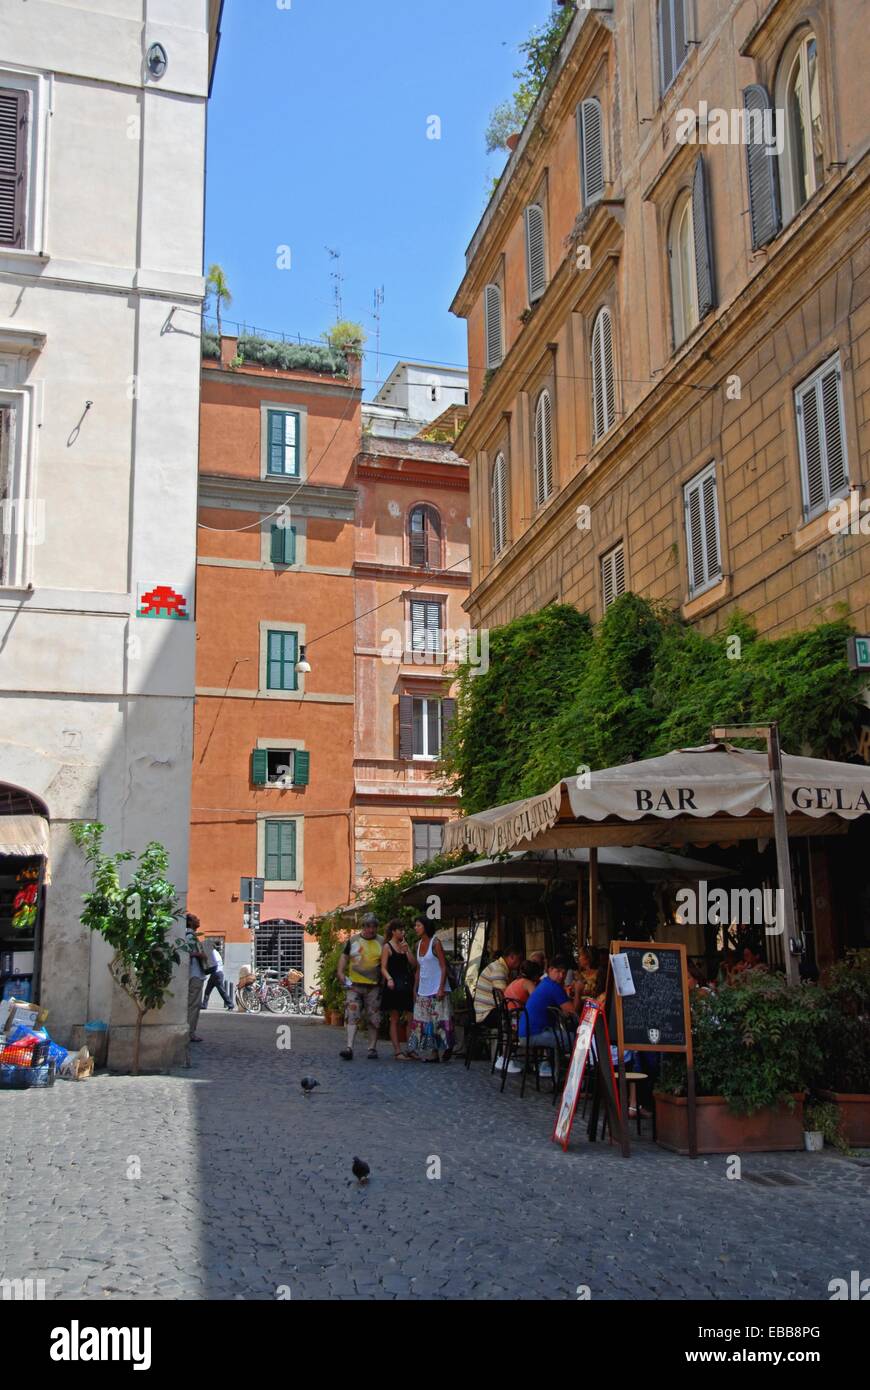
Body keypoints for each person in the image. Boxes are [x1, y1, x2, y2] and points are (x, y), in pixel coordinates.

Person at [517, 955, 576, 1077]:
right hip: (533, 1034)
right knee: (576, 1040)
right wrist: (579, 992)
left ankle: (553, 1069)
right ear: (549, 970)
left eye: (564, 973)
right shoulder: (554, 987)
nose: (561, 976)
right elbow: (573, 1012)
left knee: (560, 1033)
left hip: (526, 1032)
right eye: (558, 971)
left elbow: (564, 1012)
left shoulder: (545, 983)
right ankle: (570, 1077)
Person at [337, 912, 384, 1060]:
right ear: (363, 927)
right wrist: (340, 972)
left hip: (374, 986)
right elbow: (344, 957)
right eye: (368, 926)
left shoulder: (382, 941)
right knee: (352, 1015)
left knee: (374, 1017)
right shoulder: (353, 940)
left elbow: (386, 960)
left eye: (374, 927)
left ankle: (372, 1048)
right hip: (354, 985)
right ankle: (349, 1047)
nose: (371, 930)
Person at [407, 918, 454, 1062]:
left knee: (439, 1021)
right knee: (426, 1022)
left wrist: (441, 988)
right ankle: (433, 1052)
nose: (416, 928)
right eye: (415, 925)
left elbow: (443, 966)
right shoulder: (418, 945)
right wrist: (415, 988)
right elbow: (419, 969)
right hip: (424, 988)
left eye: (418, 925)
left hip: (436, 988)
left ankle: (447, 1047)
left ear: (425, 927)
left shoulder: (435, 943)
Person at [380, 918, 415, 1060]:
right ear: (394, 931)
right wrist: (389, 979)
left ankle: (411, 1049)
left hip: (406, 983)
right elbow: (383, 967)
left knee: (410, 1017)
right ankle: (397, 1051)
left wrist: (407, 951)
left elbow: (413, 964)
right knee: (394, 1017)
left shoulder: (405, 945)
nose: (403, 932)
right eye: (400, 930)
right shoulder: (387, 947)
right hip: (393, 983)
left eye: (404, 930)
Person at [472, 945, 523, 1027]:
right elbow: (505, 996)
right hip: (486, 1013)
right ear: (512, 957)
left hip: (485, 1011)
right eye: (519, 959)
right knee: (521, 1015)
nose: (520, 962)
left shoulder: (499, 966)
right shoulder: (499, 969)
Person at [185, 913, 208, 1042]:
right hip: (194, 974)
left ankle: (190, 1031)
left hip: (195, 974)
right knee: (193, 1005)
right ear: (190, 923)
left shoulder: (191, 936)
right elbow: (185, 952)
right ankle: (190, 1033)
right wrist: (200, 955)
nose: (198, 919)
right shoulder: (189, 937)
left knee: (193, 1004)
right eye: (195, 919)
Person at [201, 938, 234, 1012]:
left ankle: (230, 1004)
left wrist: (206, 971)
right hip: (216, 974)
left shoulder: (212, 953)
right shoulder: (215, 952)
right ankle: (204, 1005)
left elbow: (214, 964)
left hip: (216, 973)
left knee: (221, 990)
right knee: (208, 990)